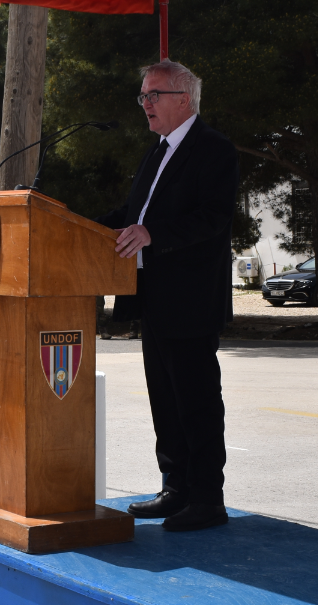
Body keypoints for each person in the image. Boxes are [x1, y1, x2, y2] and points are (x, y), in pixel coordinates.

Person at [96, 60, 238, 532]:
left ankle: (206, 499)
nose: (145, 104)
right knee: (165, 398)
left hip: (191, 298)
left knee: (196, 400)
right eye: (143, 96)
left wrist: (153, 234)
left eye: (153, 95)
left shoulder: (213, 149)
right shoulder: (157, 152)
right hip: (154, 297)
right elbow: (134, 212)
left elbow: (214, 217)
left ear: (184, 99)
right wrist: (78, 222)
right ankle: (175, 488)